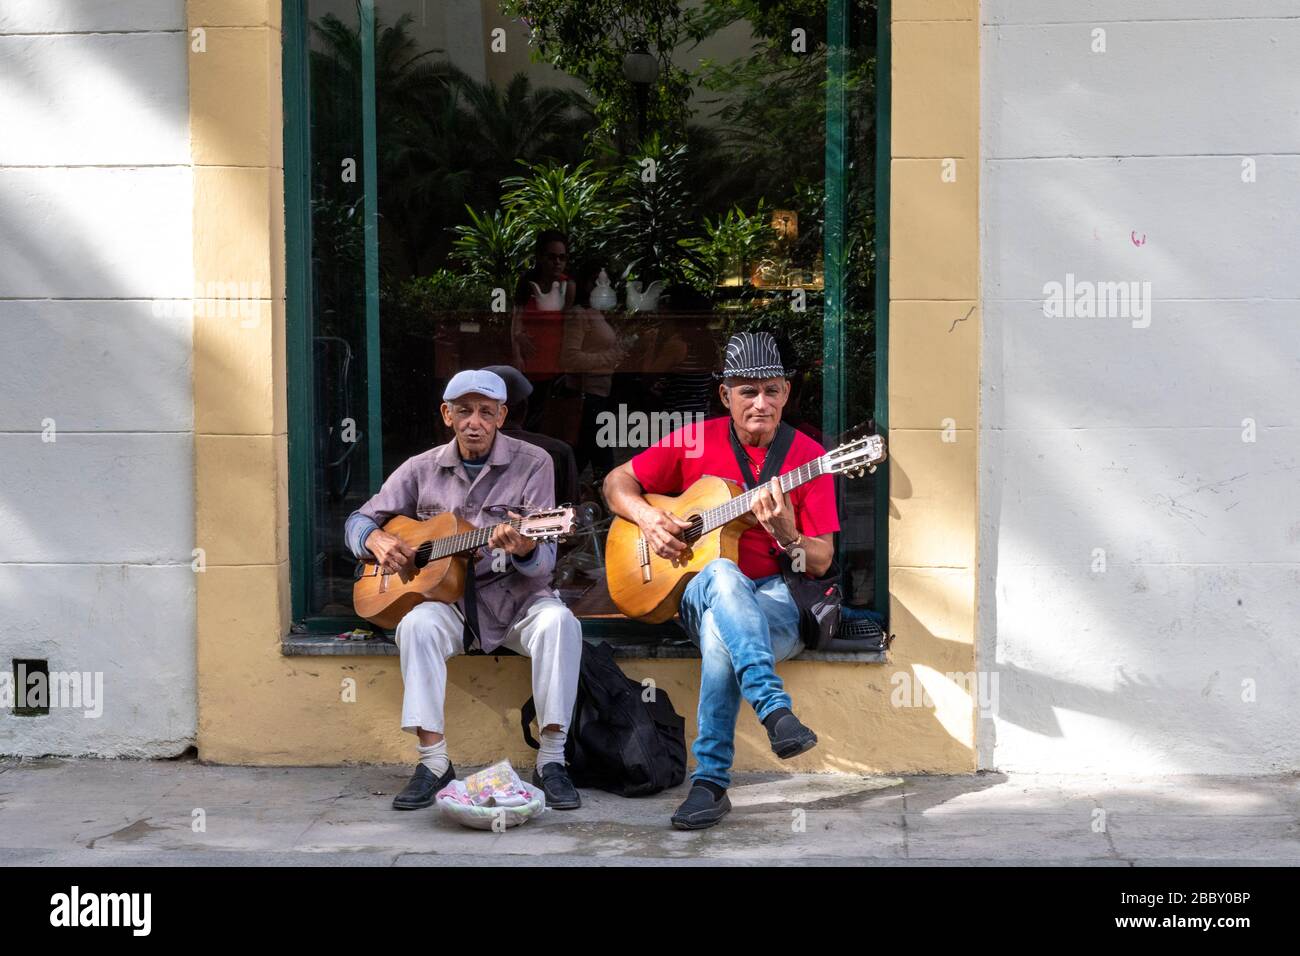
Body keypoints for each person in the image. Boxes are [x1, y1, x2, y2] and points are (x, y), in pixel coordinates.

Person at [602, 332, 839, 829]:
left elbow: (819, 563)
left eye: (772, 390)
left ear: (787, 395)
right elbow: (616, 482)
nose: (761, 402)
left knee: (720, 639)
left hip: (776, 597)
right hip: (694, 588)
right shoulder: (695, 440)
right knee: (721, 572)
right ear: (725, 396)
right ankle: (774, 710)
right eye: (747, 391)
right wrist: (648, 519)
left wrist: (788, 534)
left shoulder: (811, 457)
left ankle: (710, 784)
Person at [344, 369, 583, 811]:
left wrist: (525, 547)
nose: (475, 421)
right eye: (464, 411)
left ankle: (552, 761)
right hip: (450, 603)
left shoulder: (535, 463)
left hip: (517, 601)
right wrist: (374, 539)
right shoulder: (420, 468)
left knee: (559, 623)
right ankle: (433, 763)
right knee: (416, 625)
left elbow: (543, 566)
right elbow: (359, 520)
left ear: (501, 416)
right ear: (447, 415)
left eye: (486, 412)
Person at [560, 261, 628, 488]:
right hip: (586, 396)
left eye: (607, 282)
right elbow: (570, 359)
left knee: (590, 457)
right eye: (599, 281)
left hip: (599, 394)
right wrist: (610, 358)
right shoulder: (580, 314)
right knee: (599, 459)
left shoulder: (596, 312)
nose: (604, 286)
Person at [512, 230, 576, 431]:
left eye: (562, 257)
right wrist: (517, 353)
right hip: (528, 362)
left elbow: (569, 326)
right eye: (551, 257)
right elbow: (516, 321)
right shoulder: (526, 283)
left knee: (547, 418)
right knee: (525, 414)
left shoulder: (568, 286)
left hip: (554, 363)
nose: (557, 262)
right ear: (540, 257)